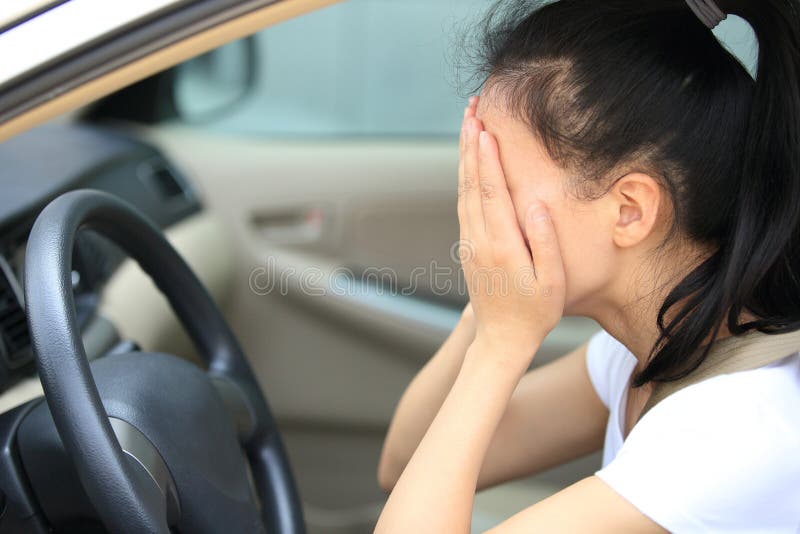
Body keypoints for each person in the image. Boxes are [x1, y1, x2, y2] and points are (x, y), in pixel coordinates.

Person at [375, 0, 800, 532]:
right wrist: (488, 308)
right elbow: (405, 461)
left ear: (630, 210)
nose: (481, 210)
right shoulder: (653, 344)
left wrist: (500, 346)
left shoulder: (733, 429)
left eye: (499, 182)